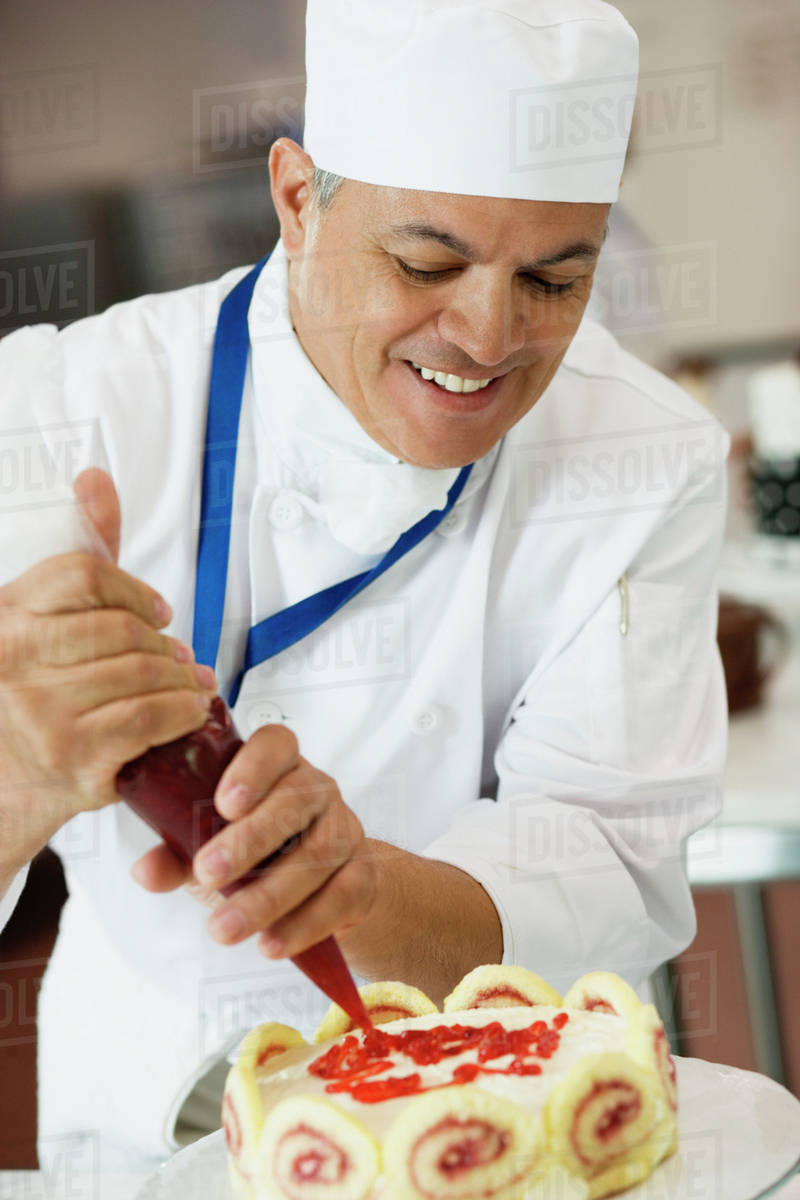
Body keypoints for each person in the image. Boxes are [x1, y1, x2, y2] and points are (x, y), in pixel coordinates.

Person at [0, 0, 728, 1173]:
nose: (486, 335)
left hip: (503, 1122)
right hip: (140, 1134)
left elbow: (608, 862)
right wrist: (16, 774)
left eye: (551, 280)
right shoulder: (59, 409)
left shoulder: (642, 457)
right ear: (296, 198)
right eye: (425, 262)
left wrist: (366, 885)